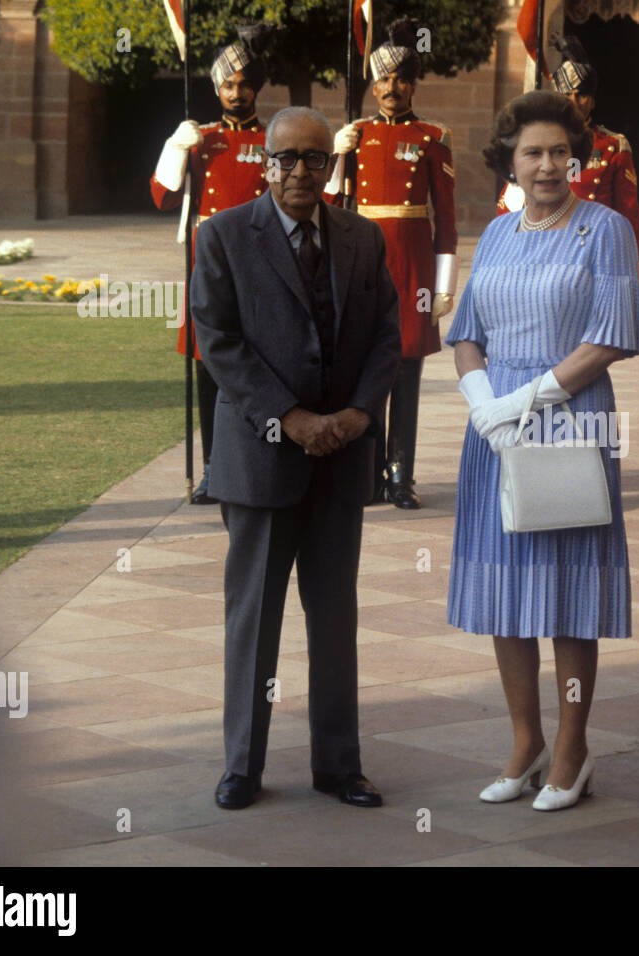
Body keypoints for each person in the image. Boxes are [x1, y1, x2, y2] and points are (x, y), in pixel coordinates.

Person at [188, 107, 402, 811]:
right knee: (254, 616)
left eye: (315, 158)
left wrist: (358, 414)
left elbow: (385, 337)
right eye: (286, 159)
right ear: (266, 164)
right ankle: (242, 766)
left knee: (334, 615)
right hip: (261, 456)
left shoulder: (362, 239)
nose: (301, 172)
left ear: (332, 166)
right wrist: (290, 417)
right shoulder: (222, 236)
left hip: (341, 458)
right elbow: (218, 341)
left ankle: (339, 766)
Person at [445, 90, 639, 811]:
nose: (548, 164)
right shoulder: (498, 233)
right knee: (505, 591)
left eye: (560, 150)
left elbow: (613, 334)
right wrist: (483, 405)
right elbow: (466, 329)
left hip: (567, 419)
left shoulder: (606, 229)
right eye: (533, 152)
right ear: (512, 159)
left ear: (578, 156)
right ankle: (524, 740)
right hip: (495, 431)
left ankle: (572, 746)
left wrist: (529, 400)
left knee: (565, 592)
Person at [325, 17, 458, 509]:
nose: (391, 88)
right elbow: (329, 208)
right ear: (372, 84)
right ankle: (366, 474)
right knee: (364, 376)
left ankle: (400, 475)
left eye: (401, 79)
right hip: (362, 272)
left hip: (413, 272)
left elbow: (445, 220)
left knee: (405, 376)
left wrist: (443, 283)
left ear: (412, 84)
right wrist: (337, 159)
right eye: (382, 79)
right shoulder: (354, 134)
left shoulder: (431, 136)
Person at [150, 32, 271, 504]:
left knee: (257, 373)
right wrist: (176, 149)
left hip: (258, 269)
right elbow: (161, 196)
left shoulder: (269, 140)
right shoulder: (201, 138)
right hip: (208, 271)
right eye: (226, 86)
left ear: (254, 88)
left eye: (242, 85)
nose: (235, 94)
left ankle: (258, 462)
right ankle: (211, 469)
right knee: (208, 372)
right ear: (216, 90)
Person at [497, 35, 639, 262]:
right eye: (567, 94)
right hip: (544, 252)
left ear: (592, 101)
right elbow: (505, 211)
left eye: (582, 95)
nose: (574, 101)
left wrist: (630, 264)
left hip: (594, 253)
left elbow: (628, 215)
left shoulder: (613, 146)